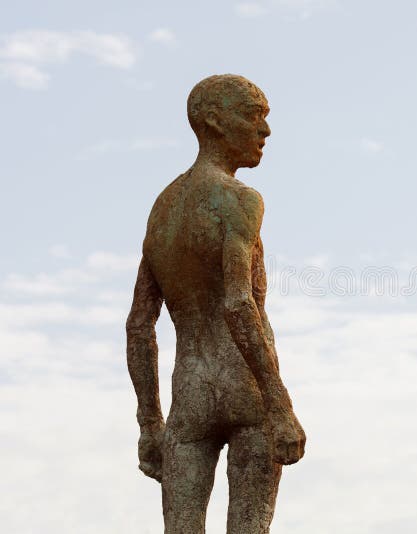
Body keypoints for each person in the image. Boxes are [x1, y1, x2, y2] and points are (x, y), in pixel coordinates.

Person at [126, 74, 306, 533]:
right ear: (214, 121)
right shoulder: (240, 200)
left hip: (189, 398)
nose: (265, 131)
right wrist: (279, 404)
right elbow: (239, 303)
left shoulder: (163, 209)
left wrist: (150, 422)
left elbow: (139, 326)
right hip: (246, 388)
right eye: (253, 117)